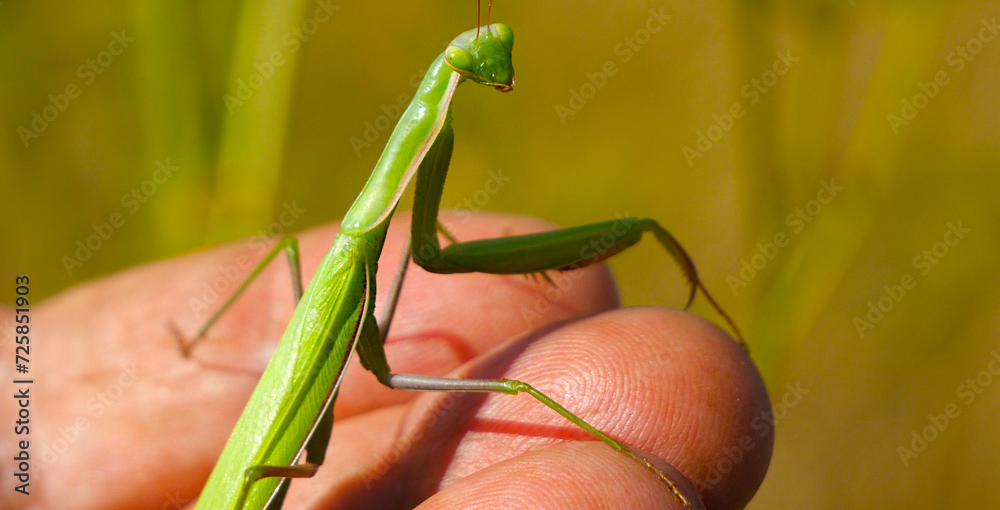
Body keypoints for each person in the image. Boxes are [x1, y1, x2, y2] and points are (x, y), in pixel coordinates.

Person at [3, 213, 771, 509]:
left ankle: (200, 345)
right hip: (262, 474)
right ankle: (605, 440)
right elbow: (435, 257)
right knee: (504, 381)